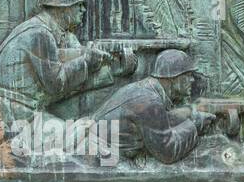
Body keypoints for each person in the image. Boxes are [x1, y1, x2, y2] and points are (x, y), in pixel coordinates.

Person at [0, 0, 134, 127]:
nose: (83, 10)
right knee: (80, 137)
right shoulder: (39, 33)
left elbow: (68, 78)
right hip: (10, 115)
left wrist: (112, 70)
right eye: (79, 5)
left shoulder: (56, 33)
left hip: (22, 110)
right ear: (63, 8)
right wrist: (86, 61)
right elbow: (56, 85)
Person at [87, 49, 216, 164]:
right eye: (188, 76)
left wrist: (189, 115)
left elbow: (160, 120)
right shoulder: (149, 101)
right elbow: (167, 152)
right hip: (99, 159)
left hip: (99, 150)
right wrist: (195, 126)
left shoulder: (145, 89)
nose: (192, 80)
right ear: (173, 77)